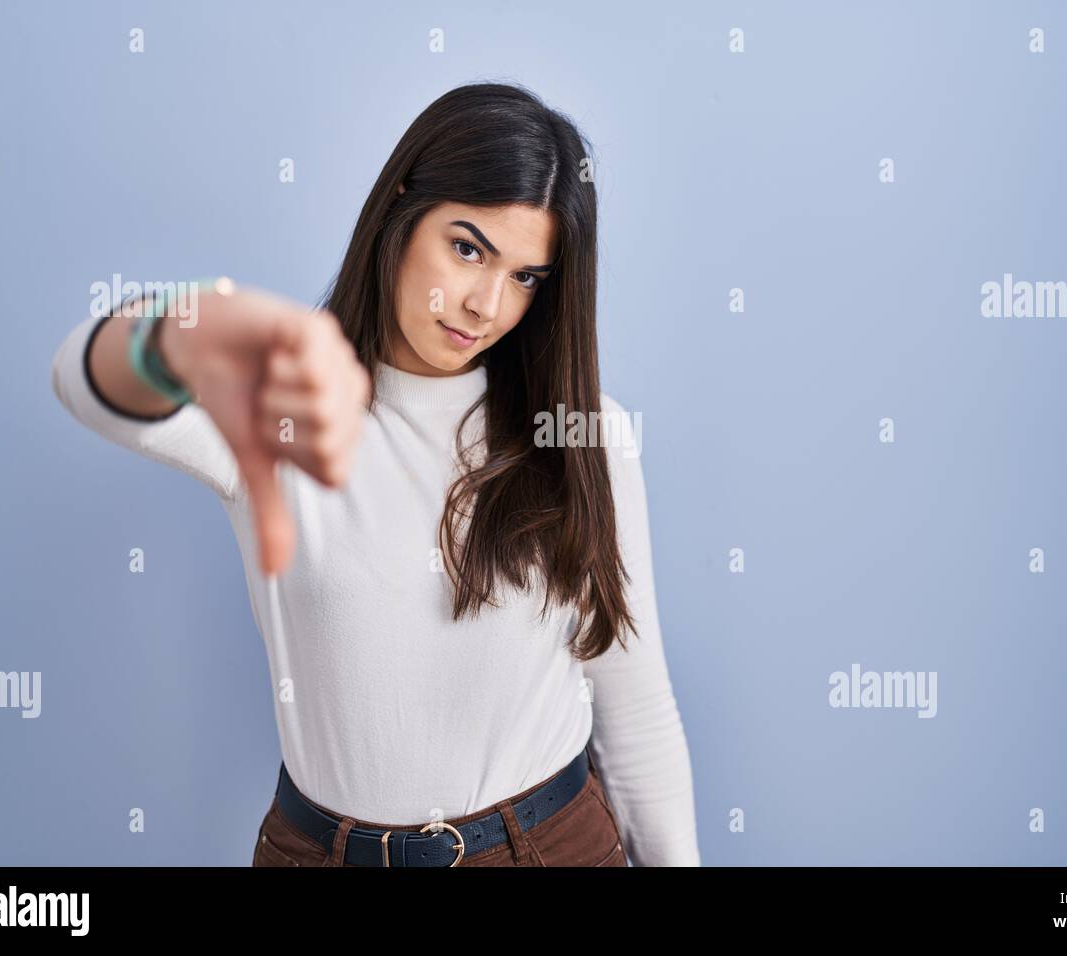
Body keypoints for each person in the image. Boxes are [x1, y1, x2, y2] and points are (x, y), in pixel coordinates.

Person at [49, 81, 700, 866]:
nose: (486, 304)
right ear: (400, 204)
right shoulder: (282, 402)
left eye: (527, 276)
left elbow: (636, 717)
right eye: (468, 248)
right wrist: (183, 333)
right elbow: (85, 384)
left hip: (550, 845)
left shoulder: (586, 433)